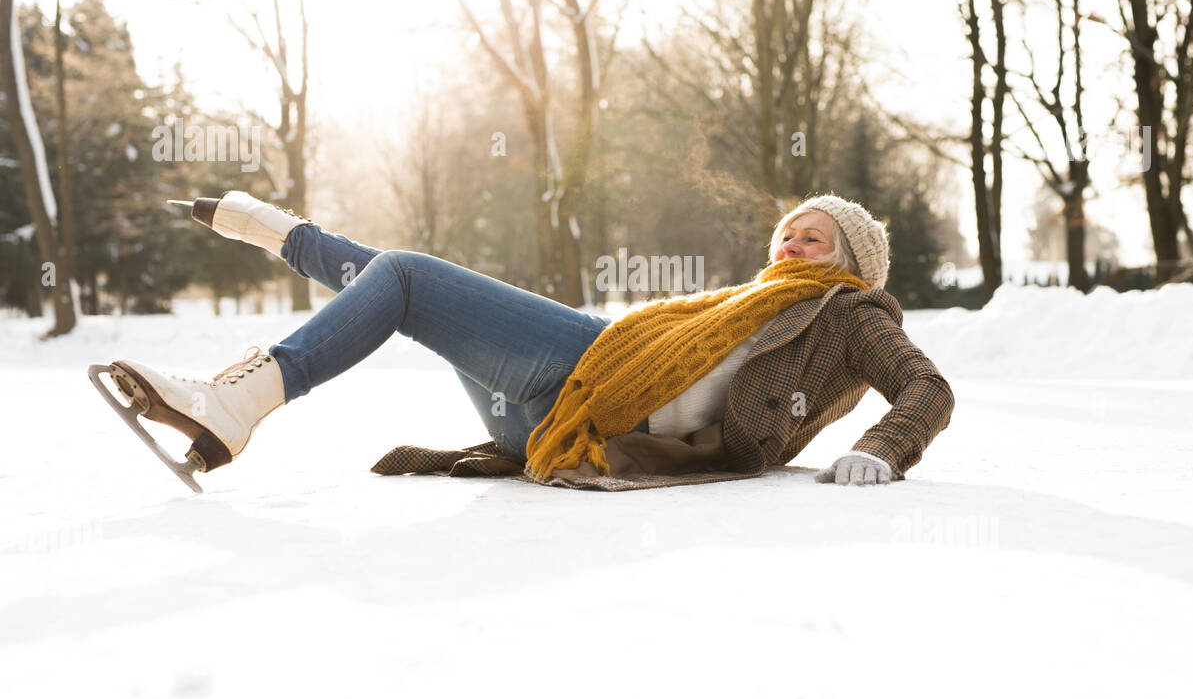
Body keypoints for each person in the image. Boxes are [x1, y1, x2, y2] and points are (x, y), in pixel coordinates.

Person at [95, 191, 954, 490]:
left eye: (813, 240)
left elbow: (927, 388)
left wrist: (885, 445)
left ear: (853, 262)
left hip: (596, 397)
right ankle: (270, 231)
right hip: (560, 408)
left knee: (406, 278)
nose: (789, 248)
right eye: (786, 235)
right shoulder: (745, 301)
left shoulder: (847, 314)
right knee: (398, 283)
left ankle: (237, 397)